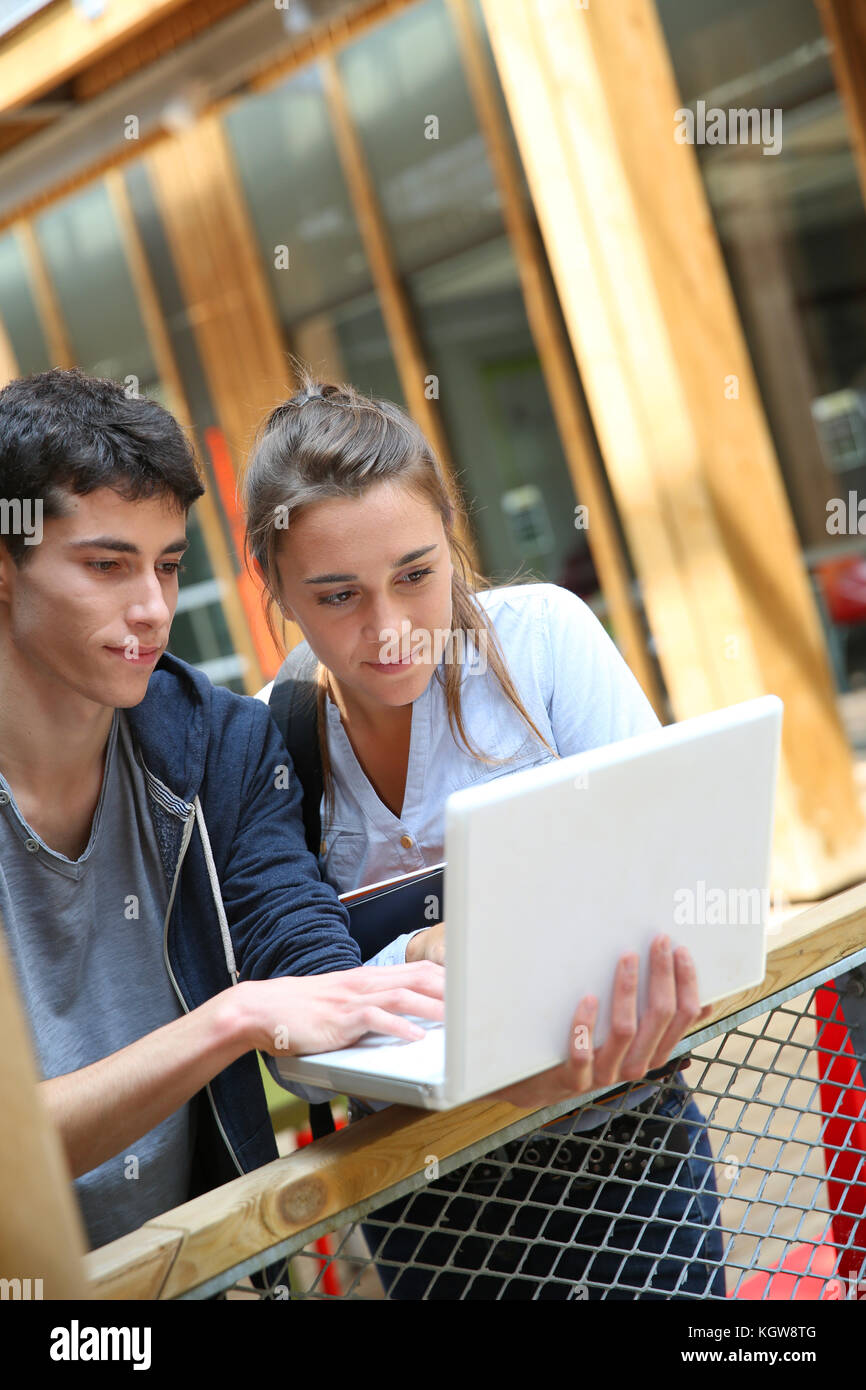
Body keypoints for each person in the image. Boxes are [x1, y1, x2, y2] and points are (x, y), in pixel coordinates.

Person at [244, 372, 728, 1301]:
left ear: (452, 536)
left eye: (417, 575)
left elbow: (674, 895)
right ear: (272, 585)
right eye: (338, 596)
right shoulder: (271, 737)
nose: (390, 632)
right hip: (421, 1192)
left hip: (622, 1149)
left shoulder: (543, 643)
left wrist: (413, 969)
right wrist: (431, 953)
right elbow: (291, 1052)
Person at [0, 367, 445, 1282]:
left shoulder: (224, 748)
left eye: (167, 565)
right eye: (107, 565)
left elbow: (308, 968)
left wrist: (421, 963)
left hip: (199, 1263)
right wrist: (230, 1019)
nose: (152, 608)